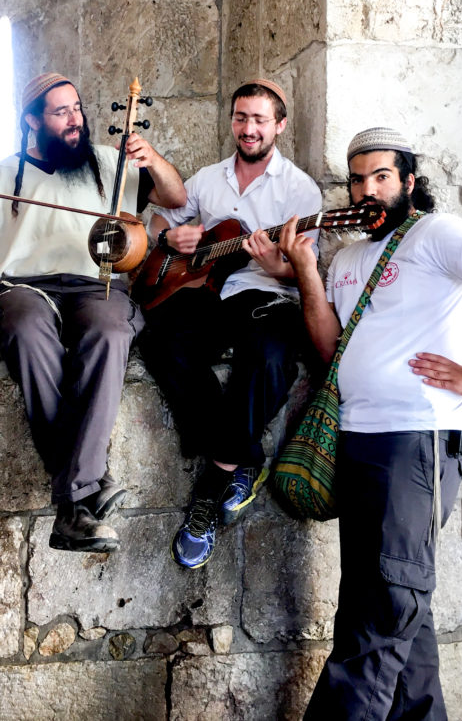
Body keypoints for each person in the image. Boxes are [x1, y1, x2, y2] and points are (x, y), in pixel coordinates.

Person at [279, 126, 462, 721]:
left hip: (416, 442)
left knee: (382, 609)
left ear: (409, 182)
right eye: (357, 178)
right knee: (399, 609)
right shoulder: (349, 257)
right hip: (357, 440)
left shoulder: (436, 234)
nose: (367, 189)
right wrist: (305, 269)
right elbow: (330, 348)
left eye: (381, 176)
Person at [0, 72, 186, 553]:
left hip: (95, 281)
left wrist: (153, 160)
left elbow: (176, 198)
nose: (75, 119)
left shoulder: (107, 164)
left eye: (77, 108)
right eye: (61, 112)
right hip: (24, 286)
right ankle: (87, 486)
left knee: (111, 330)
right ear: (33, 120)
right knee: (23, 328)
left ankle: (73, 499)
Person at [138, 79, 322, 569]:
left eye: (261, 119)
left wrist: (276, 262)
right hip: (214, 293)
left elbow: (301, 271)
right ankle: (244, 455)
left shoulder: (299, 189)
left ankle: (211, 487)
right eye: (242, 117)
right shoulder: (208, 178)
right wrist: (173, 237)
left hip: (270, 296)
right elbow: (158, 221)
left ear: (279, 126)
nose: (249, 128)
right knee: (160, 342)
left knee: (271, 358)